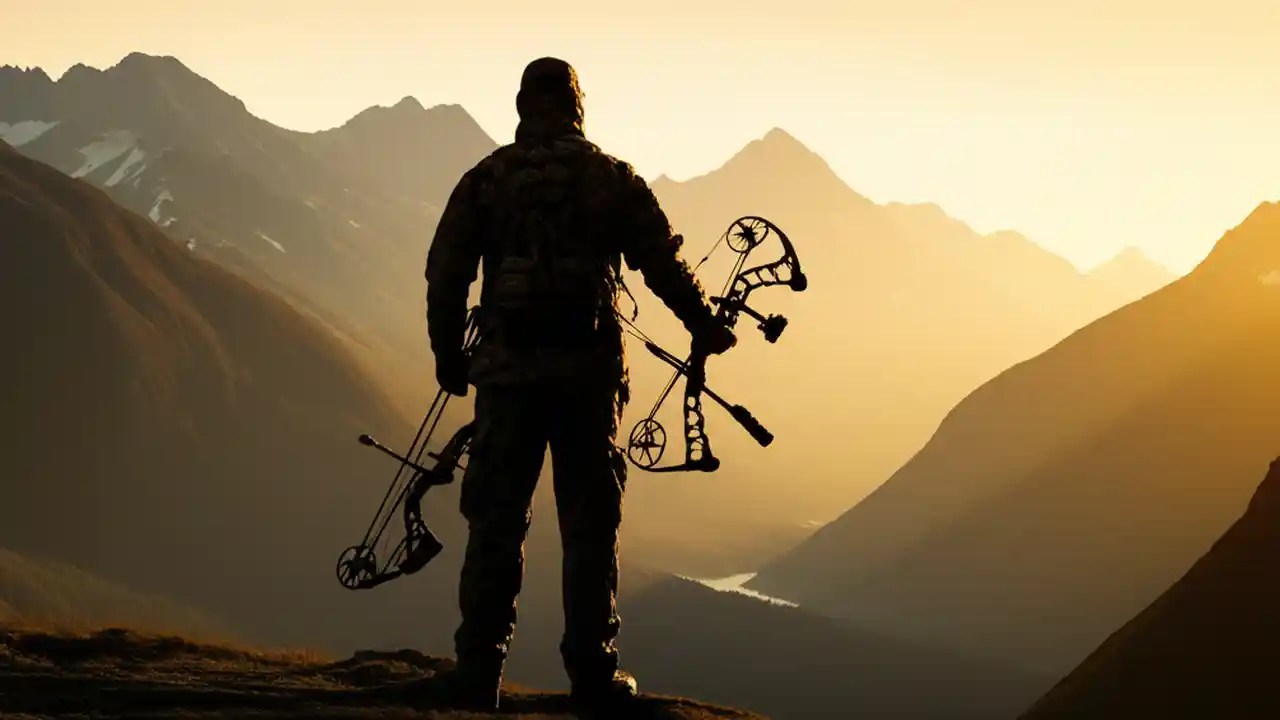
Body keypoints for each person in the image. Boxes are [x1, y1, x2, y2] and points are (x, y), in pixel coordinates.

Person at [424, 57, 736, 711]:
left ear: (522, 106)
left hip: (507, 380)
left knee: (496, 522)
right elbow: (662, 261)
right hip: (587, 381)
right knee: (590, 525)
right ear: (577, 107)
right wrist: (704, 325)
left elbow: (447, 271)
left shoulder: (487, 179)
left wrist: (449, 357)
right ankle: (593, 676)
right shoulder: (610, 179)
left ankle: (478, 674)